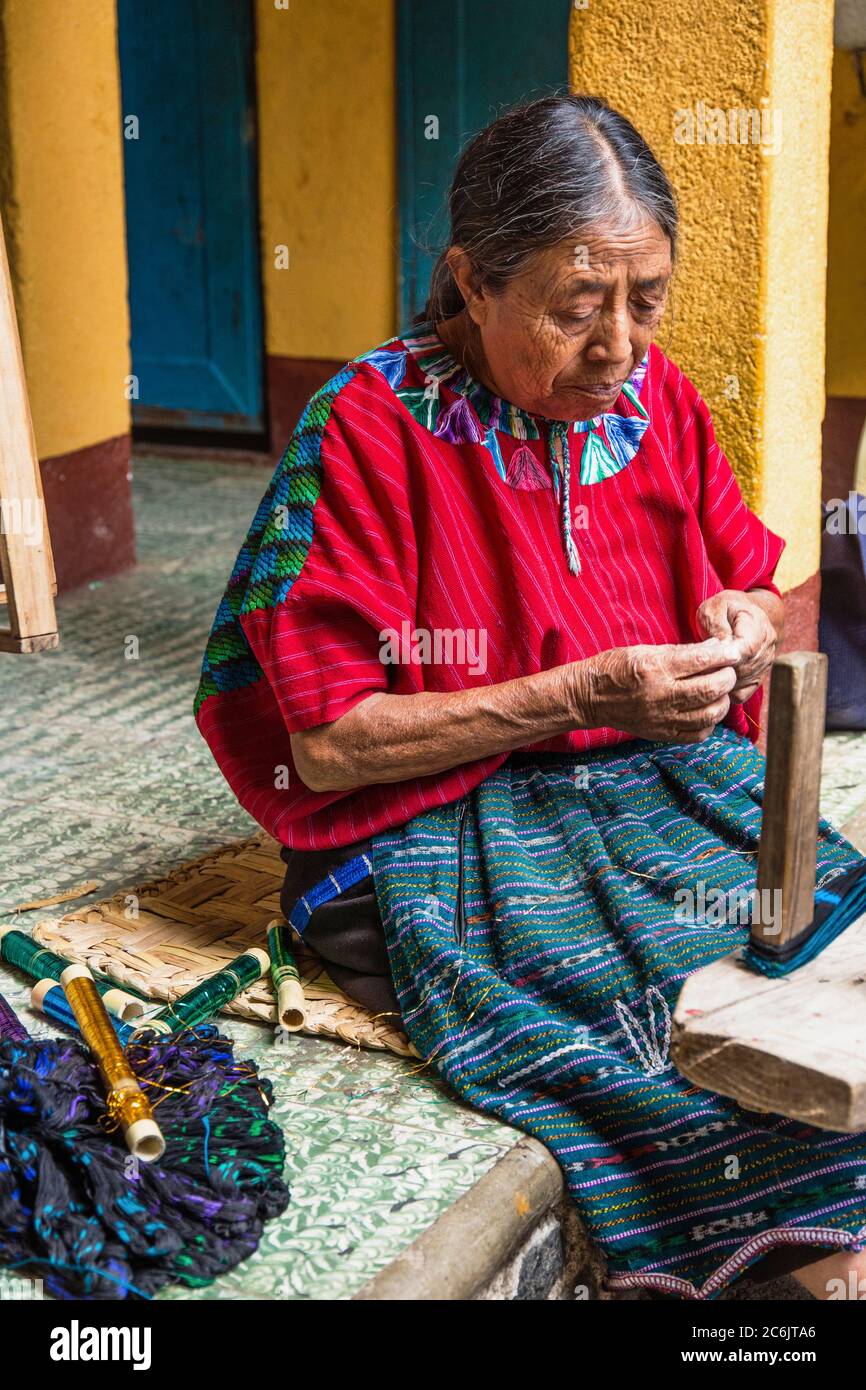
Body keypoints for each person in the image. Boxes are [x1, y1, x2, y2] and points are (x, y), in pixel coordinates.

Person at [196, 95, 866, 1300]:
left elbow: (757, 582)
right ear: (469, 282)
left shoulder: (653, 401)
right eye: (574, 307)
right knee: (656, 1036)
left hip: (658, 785)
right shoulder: (363, 428)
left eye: (643, 301)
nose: (616, 344)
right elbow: (330, 741)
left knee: (821, 947)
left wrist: (744, 623)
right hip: (447, 818)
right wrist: (583, 691)